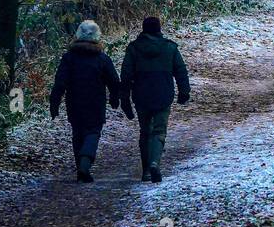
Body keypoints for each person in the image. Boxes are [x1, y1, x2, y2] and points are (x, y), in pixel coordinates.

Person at [120, 16, 190, 183]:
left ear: (143, 29)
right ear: (159, 29)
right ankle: (154, 163)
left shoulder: (134, 49)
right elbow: (180, 70)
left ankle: (146, 171)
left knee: (145, 132)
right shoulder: (170, 47)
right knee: (159, 131)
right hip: (163, 94)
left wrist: (125, 99)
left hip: (141, 96)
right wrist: (184, 91)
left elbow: (126, 75)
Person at [49, 20, 120, 183]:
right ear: (97, 36)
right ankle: (85, 165)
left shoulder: (69, 58)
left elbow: (60, 82)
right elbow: (114, 81)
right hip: (95, 103)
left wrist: (54, 103)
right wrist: (115, 98)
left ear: (78, 35)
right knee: (93, 132)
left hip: (74, 102)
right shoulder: (102, 58)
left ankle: (81, 166)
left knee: (78, 133)